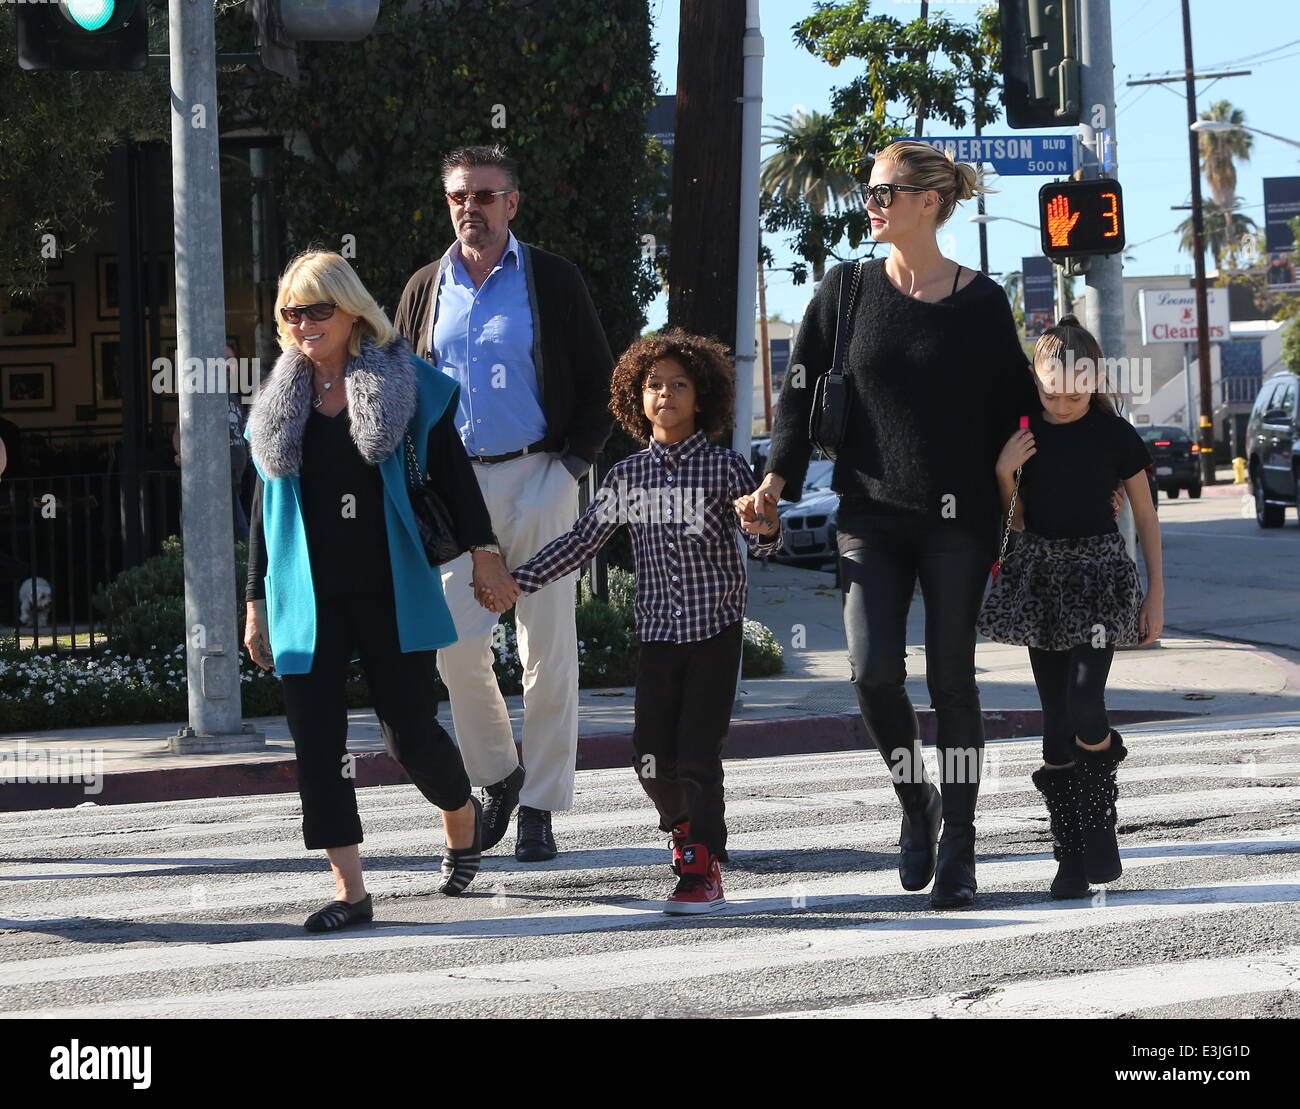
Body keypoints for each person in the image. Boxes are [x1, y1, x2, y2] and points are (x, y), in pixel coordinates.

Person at [739, 140, 1039, 909]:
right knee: (872, 672)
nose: (870, 205)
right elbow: (800, 400)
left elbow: (1020, 406)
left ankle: (964, 848)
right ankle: (920, 806)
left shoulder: (981, 303)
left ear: (929, 202)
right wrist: (775, 477)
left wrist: (1048, 470)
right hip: (870, 512)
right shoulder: (844, 291)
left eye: (885, 193)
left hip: (959, 519)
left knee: (951, 683)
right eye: (868, 193)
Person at [243, 250, 518, 931]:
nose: (303, 323)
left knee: (410, 735)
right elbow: (261, 509)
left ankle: (462, 818)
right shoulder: (281, 397)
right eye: (291, 311)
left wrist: (487, 556)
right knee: (317, 740)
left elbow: (454, 476)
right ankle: (351, 891)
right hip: (306, 595)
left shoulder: (403, 380)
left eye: (317, 309)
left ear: (350, 309)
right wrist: (255, 601)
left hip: (391, 585)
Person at [479, 330, 781, 913]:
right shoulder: (627, 477)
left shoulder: (725, 469)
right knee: (649, 757)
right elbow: (581, 542)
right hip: (658, 637)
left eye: (679, 385)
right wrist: (520, 581)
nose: (664, 394)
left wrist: (763, 524)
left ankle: (703, 865)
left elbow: (764, 536)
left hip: (714, 632)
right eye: (653, 385)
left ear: (702, 399)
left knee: (696, 754)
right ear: (635, 399)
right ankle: (683, 831)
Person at [394, 144, 615, 862]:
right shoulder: (425, 288)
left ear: (511, 204)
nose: (471, 208)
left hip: (541, 477)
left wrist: (571, 467)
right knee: (456, 648)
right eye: (460, 196)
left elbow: (602, 384)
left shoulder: (551, 279)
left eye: (486, 196)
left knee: (547, 649)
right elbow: (401, 391)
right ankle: (499, 775)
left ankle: (543, 806)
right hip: (456, 493)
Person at [979, 316, 1164, 899]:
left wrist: (1156, 591)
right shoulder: (1023, 432)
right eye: (1050, 390)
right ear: (1035, 380)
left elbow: (1147, 516)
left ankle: (1099, 822)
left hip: (1102, 577)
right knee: (1055, 724)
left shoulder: (1116, 437)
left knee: (1087, 700)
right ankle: (1069, 856)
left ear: (1096, 378)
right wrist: (1005, 473)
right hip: (1040, 578)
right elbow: (1012, 522)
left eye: (1076, 389)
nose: (1063, 401)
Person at [171, 343, 250, 542]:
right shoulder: (201, 396)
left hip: (237, 476)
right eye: (223, 361)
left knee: (234, 533)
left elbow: (241, 430)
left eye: (231, 361)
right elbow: (181, 431)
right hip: (214, 477)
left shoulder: (233, 396)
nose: (228, 366)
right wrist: (185, 455)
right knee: (241, 534)